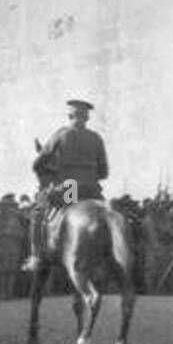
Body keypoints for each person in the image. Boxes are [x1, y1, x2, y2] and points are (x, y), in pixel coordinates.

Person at [26, 99, 109, 271]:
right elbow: (104, 172)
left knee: (38, 212)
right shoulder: (96, 138)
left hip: (69, 188)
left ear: (70, 115)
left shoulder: (61, 134)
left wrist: (53, 173)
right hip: (93, 190)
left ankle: (35, 256)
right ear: (87, 118)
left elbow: (37, 164)